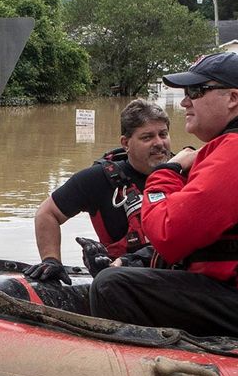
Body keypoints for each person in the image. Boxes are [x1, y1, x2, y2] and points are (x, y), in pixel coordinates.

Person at [89, 52, 238, 347]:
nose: (184, 102)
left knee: (112, 287)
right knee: (127, 271)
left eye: (196, 91)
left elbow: (167, 233)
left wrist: (166, 172)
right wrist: (133, 259)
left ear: (232, 98)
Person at [24, 99, 172, 283]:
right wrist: (51, 259)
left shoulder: (190, 171)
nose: (159, 143)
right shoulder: (98, 179)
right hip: (123, 283)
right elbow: (47, 213)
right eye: (147, 137)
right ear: (125, 143)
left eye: (163, 134)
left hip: (179, 279)